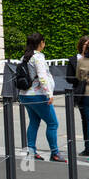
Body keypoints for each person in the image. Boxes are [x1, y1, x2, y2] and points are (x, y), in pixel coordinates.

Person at [18, 31, 64, 162]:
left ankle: (31, 151)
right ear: (41, 43)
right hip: (38, 95)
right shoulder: (38, 57)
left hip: (25, 94)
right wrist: (49, 93)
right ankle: (54, 153)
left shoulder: (25, 57)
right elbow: (42, 76)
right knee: (53, 123)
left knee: (34, 122)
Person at [66, 34, 89, 137]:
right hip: (81, 93)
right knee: (86, 120)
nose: (87, 46)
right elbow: (69, 78)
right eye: (85, 44)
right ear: (81, 45)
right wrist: (81, 79)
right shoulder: (73, 60)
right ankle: (88, 147)